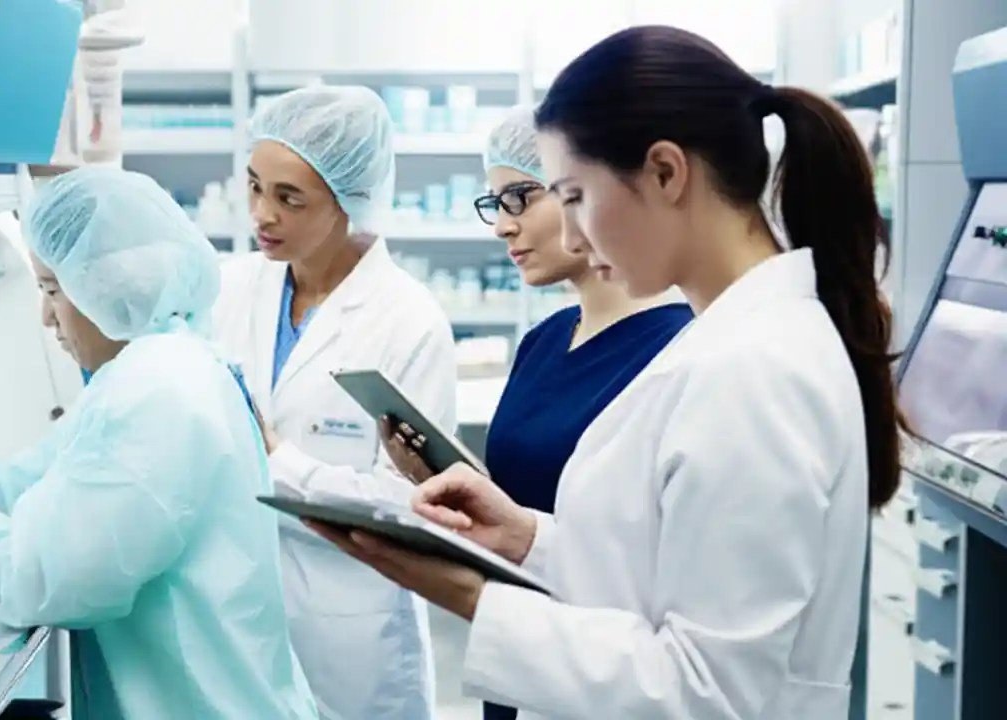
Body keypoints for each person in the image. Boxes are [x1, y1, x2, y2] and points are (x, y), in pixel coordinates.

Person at [311, 25, 903, 720]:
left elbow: (711, 691)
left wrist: (470, 595)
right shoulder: (731, 343)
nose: (570, 236)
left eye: (573, 196)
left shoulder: (755, 373)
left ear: (665, 172)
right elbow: (655, 579)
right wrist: (524, 538)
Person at [0, 167, 318, 720]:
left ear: (110, 284)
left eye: (53, 290)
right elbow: (26, 493)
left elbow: (56, 575)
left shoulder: (159, 392)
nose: (46, 316)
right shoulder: (157, 367)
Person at [383, 105, 693, 720]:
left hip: (604, 671)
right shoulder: (547, 337)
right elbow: (524, 499)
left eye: (519, 198)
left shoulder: (676, 349)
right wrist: (436, 478)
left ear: (584, 192)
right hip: (519, 655)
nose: (502, 226)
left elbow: (639, 550)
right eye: (493, 204)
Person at [212, 85, 457, 719]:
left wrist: (278, 460)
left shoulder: (408, 321)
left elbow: (411, 506)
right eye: (255, 186)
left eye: (289, 198)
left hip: (352, 632)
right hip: (242, 611)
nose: (261, 215)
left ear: (350, 200)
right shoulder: (233, 288)